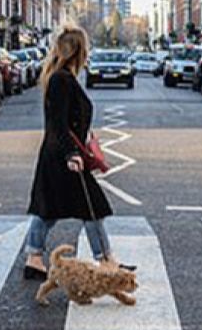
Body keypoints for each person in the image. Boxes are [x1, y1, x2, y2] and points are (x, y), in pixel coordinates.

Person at [23, 26, 127, 280]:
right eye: (86, 49)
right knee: (92, 207)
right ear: (78, 51)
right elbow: (58, 123)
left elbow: (66, 121)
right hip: (62, 157)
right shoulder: (61, 80)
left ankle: (34, 258)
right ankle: (106, 260)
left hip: (56, 154)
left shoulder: (62, 77)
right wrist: (72, 154)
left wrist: (84, 138)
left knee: (49, 208)